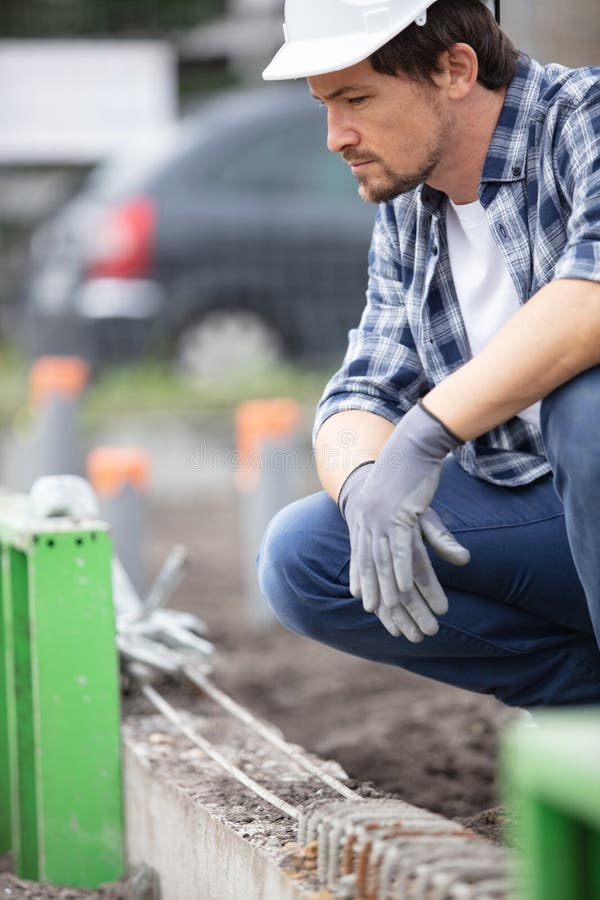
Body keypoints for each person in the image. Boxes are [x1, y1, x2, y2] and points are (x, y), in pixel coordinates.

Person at [258, 0, 600, 708]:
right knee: (309, 554)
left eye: (356, 99)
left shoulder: (584, 120)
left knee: (585, 408)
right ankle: (583, 714)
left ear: (454, 68)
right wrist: (362, 485)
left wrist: (425, 434)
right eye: (325, 105)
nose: (335, 136)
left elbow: (591, 296)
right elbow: (365, 389)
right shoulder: (411, 207)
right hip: (555, 514)